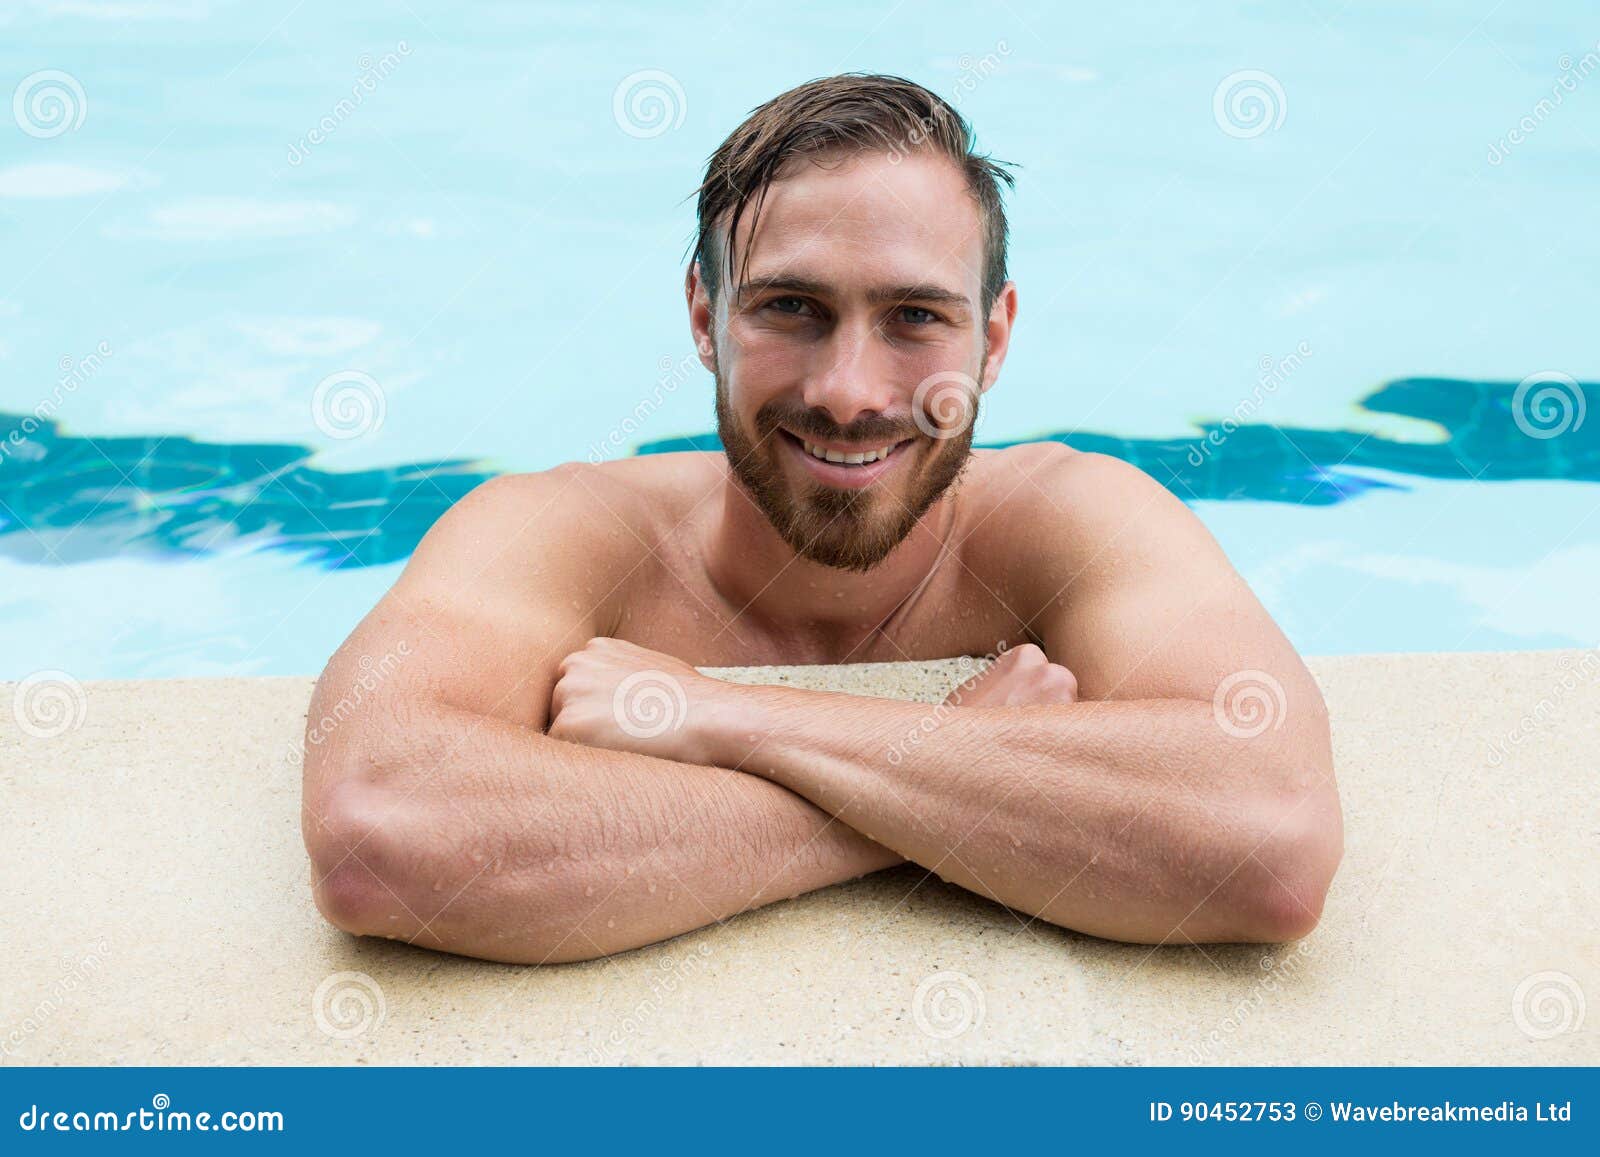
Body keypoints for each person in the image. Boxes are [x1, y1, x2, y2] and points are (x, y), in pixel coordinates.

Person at [301, 73, 1341, 964]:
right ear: (706, 319)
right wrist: (959, 774)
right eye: (790, 308)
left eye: (915, 317)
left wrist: (721, 716)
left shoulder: (1073, 518)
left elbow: (1271, 839)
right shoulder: (556, 531)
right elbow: (378, 829)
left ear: (994, 337)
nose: (849, 391)